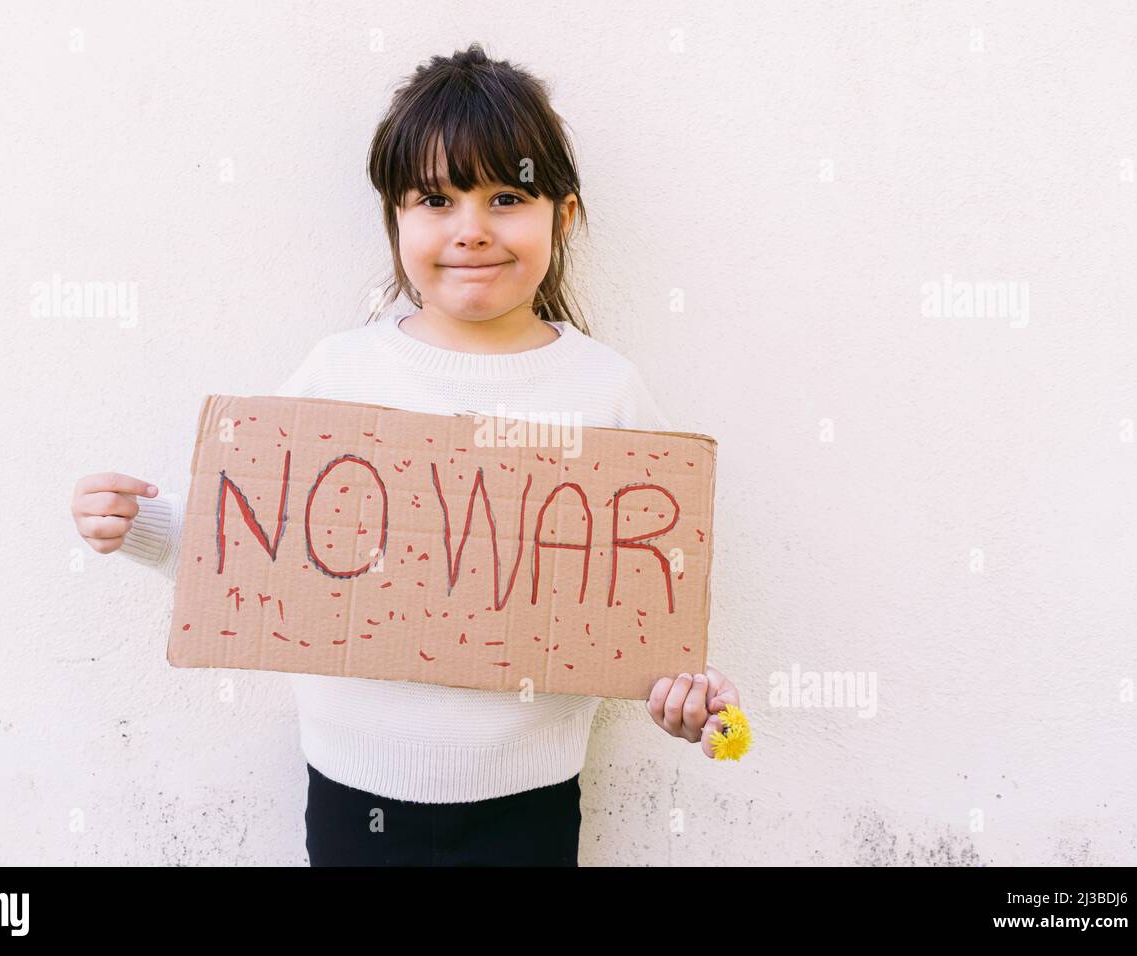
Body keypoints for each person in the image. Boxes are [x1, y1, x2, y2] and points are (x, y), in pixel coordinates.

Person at [70, 42, 740, 866]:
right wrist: (139, 525)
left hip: (526, 802)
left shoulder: (605, 389)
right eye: (435, 198)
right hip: (354, 795)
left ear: (561, 218)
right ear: (394, 217)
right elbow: (255, 544)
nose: (471, 230)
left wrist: (687, 693)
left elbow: (644, 587)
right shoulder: (340, 370)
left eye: (506, 197)